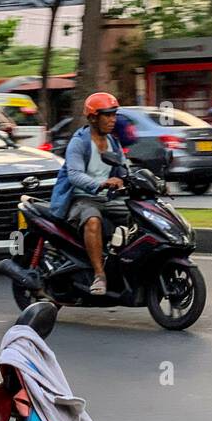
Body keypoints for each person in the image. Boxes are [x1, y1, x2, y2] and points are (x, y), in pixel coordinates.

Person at [48, 90, 128, 296]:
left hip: (106, 198)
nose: (112, 120)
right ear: (93, 117)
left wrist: (127, 178)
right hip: (80, 197)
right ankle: (99, 275)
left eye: (114, 114)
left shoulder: (113, 142)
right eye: (107, 115)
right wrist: (100, 184)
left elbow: (123, 168)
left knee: (137, 216)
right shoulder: (79, 142)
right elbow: (74, 175)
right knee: (93, 221)